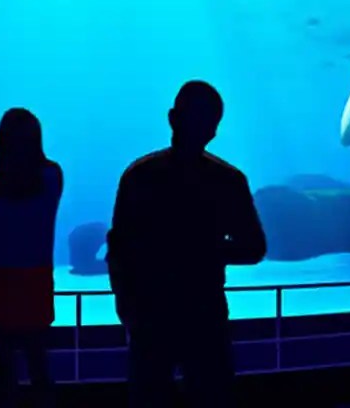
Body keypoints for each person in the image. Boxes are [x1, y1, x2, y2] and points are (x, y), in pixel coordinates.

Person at [107, 80, 266, 408]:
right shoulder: (228, 180)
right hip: (205, 315)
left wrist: (127, 307)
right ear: (214, 130)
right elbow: (254, 247)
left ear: (171, 118)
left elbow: (118, 249)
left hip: (151, 317)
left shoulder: (139, 176)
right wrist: (207, 250)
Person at [0, 108, 63, 408]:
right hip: (36, 280)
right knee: (38, 361)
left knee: (3, 365)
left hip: (1, 280)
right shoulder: (52, 176)